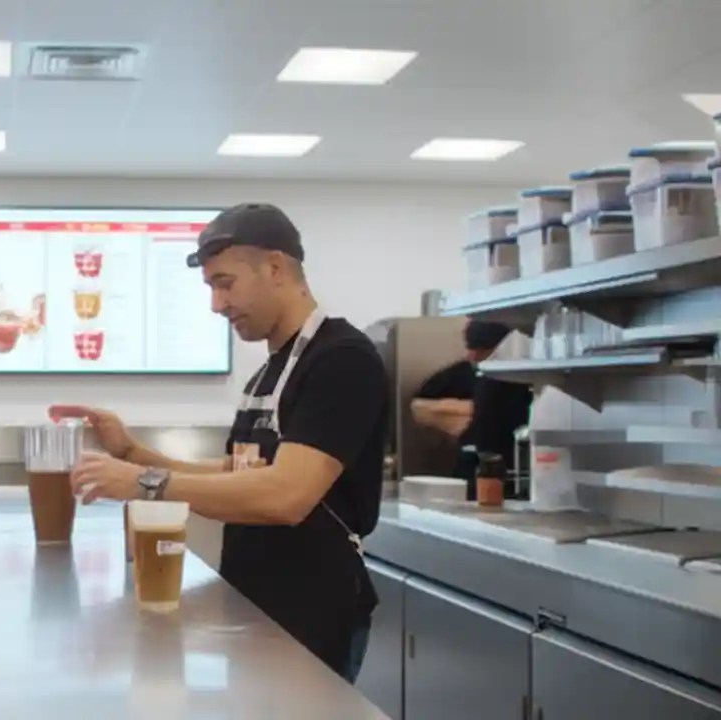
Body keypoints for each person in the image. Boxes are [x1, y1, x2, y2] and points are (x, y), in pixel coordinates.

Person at [55, 203, 387, 682]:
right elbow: (240, 475)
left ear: (275, 267)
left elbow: (286, 495)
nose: (216, 304)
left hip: (312, 616)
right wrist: (132, 453)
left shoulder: (341, 360)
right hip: (257, 611)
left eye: (224, 283)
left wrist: (144, 482)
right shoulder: (269, 371)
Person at [411, 320, 532, 498]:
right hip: (472, 469)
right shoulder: (465, 373)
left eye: (482, 350)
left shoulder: (522, 375)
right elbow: (418, 406)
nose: (473, 356)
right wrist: (463, 413)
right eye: (470, 348)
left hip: (508, 475)